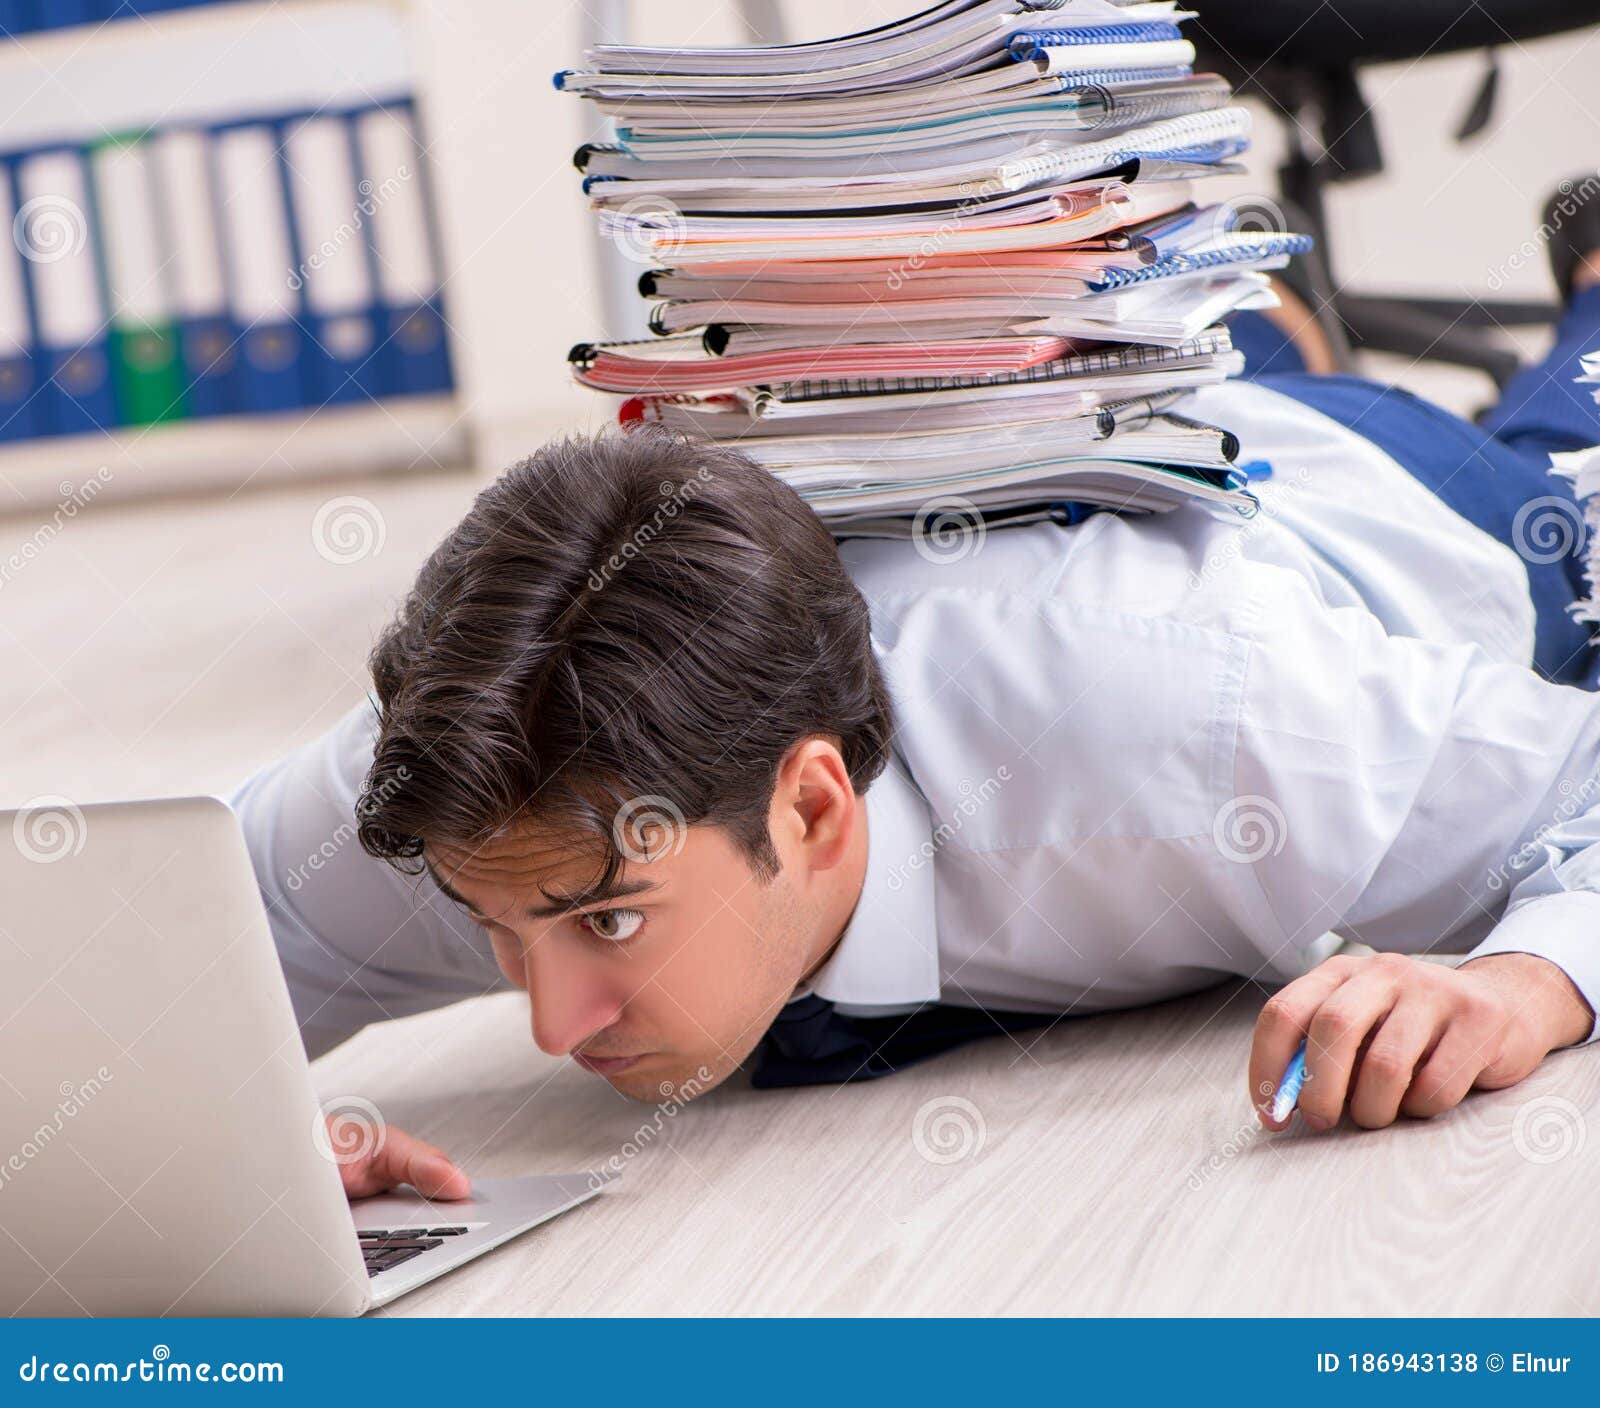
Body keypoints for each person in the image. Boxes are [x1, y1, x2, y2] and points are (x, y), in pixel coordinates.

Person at [233, 184, 1600, 1201]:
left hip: (1368, 518)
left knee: (1560, 451)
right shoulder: (470, 787)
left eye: (611, 919)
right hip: (1041, 486)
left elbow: (1581, 780)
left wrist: (1527, 981)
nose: (549, 1020)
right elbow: (85, 973)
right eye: (499, 930)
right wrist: (223, 1154)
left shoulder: (1212, 723)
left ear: (814, 807)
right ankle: (1222, 325)